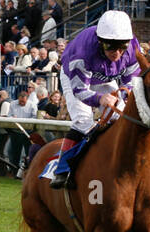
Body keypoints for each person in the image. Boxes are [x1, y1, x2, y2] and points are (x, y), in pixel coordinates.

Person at [48, 10, 142, 190]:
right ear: (100, 42)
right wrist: (100, 98)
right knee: (84, 121)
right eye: (110, 47)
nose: (117, 53)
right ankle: (62, 170)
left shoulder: (133, 48)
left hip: (106, 78)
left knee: (119, 116)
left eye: (122, 47)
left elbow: (130, 83)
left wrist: (122, 96)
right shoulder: (82, 53)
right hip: (75, 78)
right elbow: (80, 91)